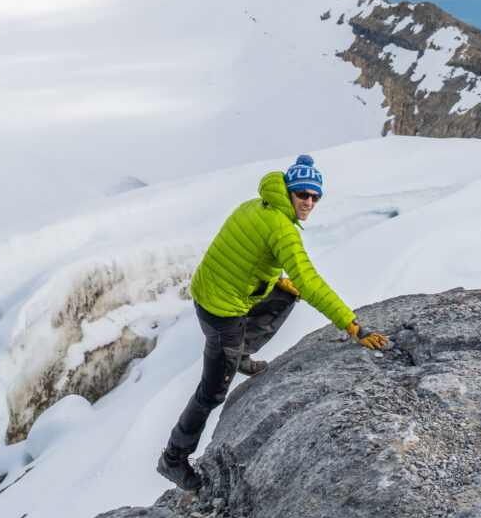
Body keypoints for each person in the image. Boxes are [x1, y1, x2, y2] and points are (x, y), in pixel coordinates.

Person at [158, 154, 388, 492]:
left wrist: (273, 281)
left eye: (315, 196)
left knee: (285, 293)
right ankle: (173, 459)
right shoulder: (282, 229)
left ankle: (242, 355)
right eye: (303, 195)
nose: (309, 202)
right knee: (211, 393)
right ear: (290, 191)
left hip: (208, 292)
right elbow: (310, 282)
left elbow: (247, 254)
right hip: (223, 312)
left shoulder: (257, 204)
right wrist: (351, 325)